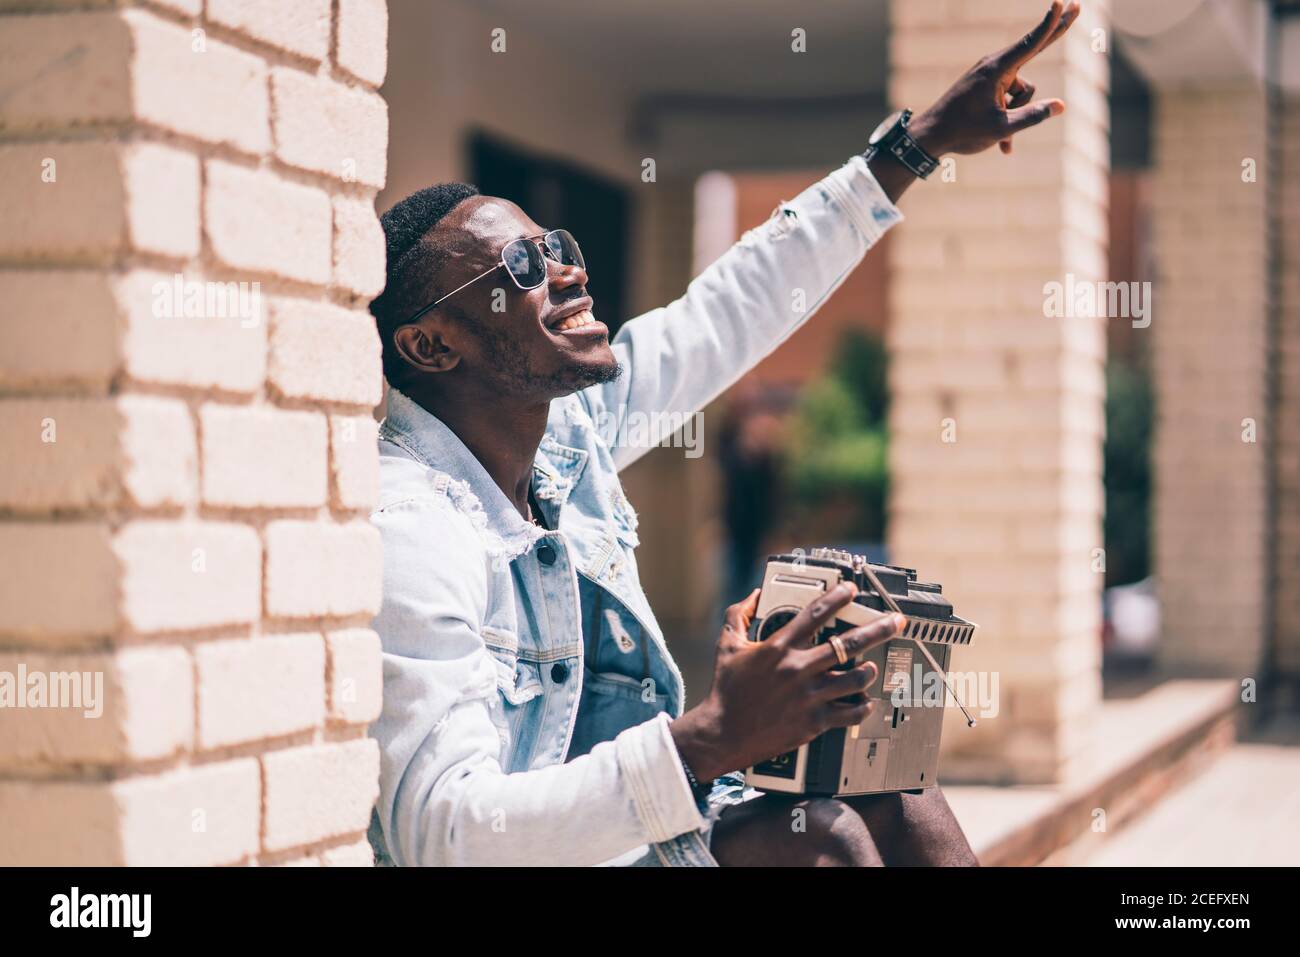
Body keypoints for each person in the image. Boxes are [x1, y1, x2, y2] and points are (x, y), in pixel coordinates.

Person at [367, 2, 1081, 866]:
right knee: (824, 837)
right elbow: (443, 831)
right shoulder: (411, 525)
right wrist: (708, 738)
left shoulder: (567, 438)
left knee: (888, 777)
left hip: (626, 835)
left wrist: (913, 148)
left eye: (554, 242)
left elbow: (730, 308)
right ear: (432, 344)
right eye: (519, 267)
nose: (566, 267)